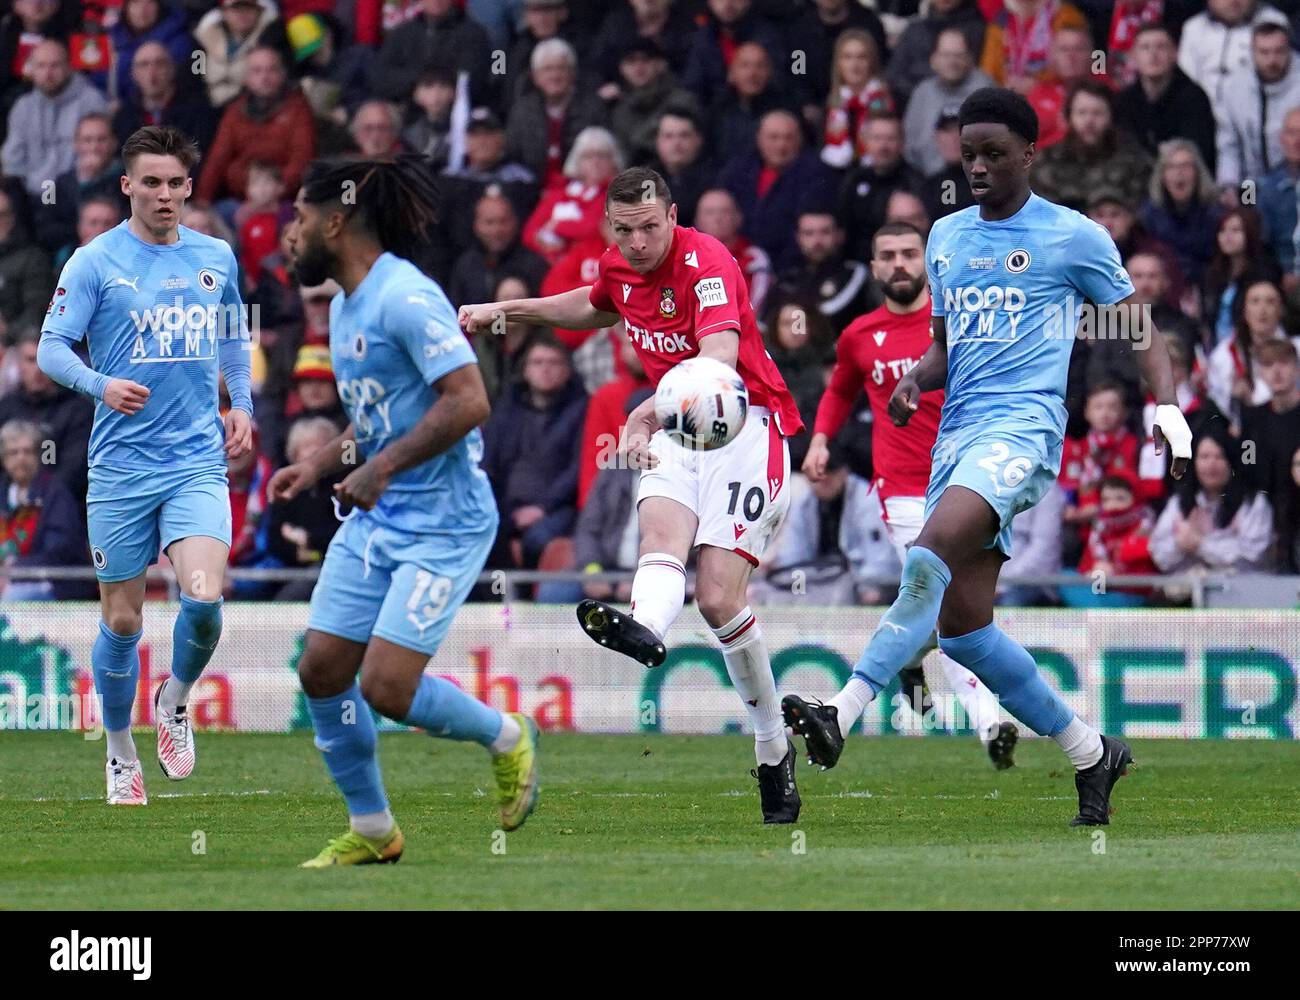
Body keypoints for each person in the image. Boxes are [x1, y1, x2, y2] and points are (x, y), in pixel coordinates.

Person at [780, 88, 1194, 828]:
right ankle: (1091, 751)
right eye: (968, 152)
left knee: (929, 548)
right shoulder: (945, 237)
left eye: (993, 153)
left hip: (1023, 431)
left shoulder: (1074, 237)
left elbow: (1141, 332)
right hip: (956, 440)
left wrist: (1165, 410)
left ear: (1030, 153)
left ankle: (841, 708)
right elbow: (946, 344)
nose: (976, 165)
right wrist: (913, 377)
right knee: (966, 631)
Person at [460, 166, 806, 824]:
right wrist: (508, 310)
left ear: (672, 215)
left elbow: (719, 361)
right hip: (678, 424)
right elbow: (592, 305)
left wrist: (644, 410)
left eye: (650, 227)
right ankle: (647, 627)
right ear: (610, 229)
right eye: (626, 231)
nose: (640, 242)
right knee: (660, 539)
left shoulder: (708, 261)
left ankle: (771, 747)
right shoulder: (618, 266)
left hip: (743, 423)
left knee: (717, 597)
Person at [271, 153, 540, 867]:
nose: (289, 235)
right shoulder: (345, 306)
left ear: (336, 219)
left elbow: (469, 400)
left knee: (387, 687)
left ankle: (507, 735)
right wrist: (320, 465)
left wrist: (381, 470)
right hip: (380, 518)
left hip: (443, 521)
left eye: (299, 218)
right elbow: (383, 418)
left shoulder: (405, 297)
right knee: (322, 670)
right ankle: (372, 829)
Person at [37, 125, 255, 805]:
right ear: (127, 186)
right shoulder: (94, 262)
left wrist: (241, 404)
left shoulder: (216, 255)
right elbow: (51, 349)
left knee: (204, 599)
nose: (164, 195)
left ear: (190, 187)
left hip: (195, 461)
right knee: (124, 622)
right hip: (121, 468)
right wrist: (100, 385)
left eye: (175, 183)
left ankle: (175, 699)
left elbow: (231, 335)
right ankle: (118, 750)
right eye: (150, 183)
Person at [802, 221, 1016, 763]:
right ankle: (991, 724)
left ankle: (910, 662)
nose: (899, 264)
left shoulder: (957, 322)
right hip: (900, 488)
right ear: (873, 268)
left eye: (908, 254)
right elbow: (840, 390)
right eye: (887, 255)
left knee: (944, 603)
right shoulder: (858, 335)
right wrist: (821, 440)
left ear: (927, 261)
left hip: (964, 481)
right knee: (944, 599)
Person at [1149, 425, 1273, 573]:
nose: (1211, 464)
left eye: (1219, 457)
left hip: (1242, 590)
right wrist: (1180, 544)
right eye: (1204, 457)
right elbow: (1158, 553)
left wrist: (1200, 545)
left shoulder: (1252, 503)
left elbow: (1253, 556)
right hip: (1187, 591)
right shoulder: (1179, 502)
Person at [1, 39, 106, 197]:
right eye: (41, 66)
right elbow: (13, 159)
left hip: (79, 192)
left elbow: (98, 154)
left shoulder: (91, 101)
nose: (48, 73)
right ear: (32, 70)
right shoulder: (23, 107)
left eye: (55, 65)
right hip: (32, 195)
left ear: (69, 66)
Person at [0, 417, 88, 601]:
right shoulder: (3, 493)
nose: (21, 458)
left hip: (54, 583)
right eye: (13, 452)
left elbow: (58, 550)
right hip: (8, 578)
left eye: (27, 451)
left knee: (12, 598)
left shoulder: (55, 493)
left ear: (39, 455)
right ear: (4, 458)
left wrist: (13, 567)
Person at [1113, 23, 1217, 175]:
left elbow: (1198, 153)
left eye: (1161, 47)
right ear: (1133, 57)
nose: (1153, 54)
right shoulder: (1124, 101)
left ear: (1175, 53)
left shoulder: (1194, 98)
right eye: (1145, 48)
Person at [1215, 21, 1300, 188]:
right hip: (1250, 181)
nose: (1272, 60)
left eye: (1279, 51)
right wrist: (1228, 184)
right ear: (1252, 53)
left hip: (1294, 180)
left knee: (1284, 209)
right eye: (1264, 52)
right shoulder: (1234, 87)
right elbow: (1229, 144)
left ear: (1289, 50)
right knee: (1245, 210)